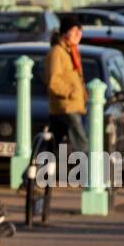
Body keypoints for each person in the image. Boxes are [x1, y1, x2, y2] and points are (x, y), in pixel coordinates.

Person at [45, 14, 88, 165]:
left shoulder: (71, 52)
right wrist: (71, 92)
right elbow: (53, 81)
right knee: (82, 144)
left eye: (80, 31)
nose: (78, 34)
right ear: (65, 33)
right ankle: (92, 179)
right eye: (75, 30)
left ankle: (32, 178)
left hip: (73, 106)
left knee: (51, 149)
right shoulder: (58, 52)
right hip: (66, 107)